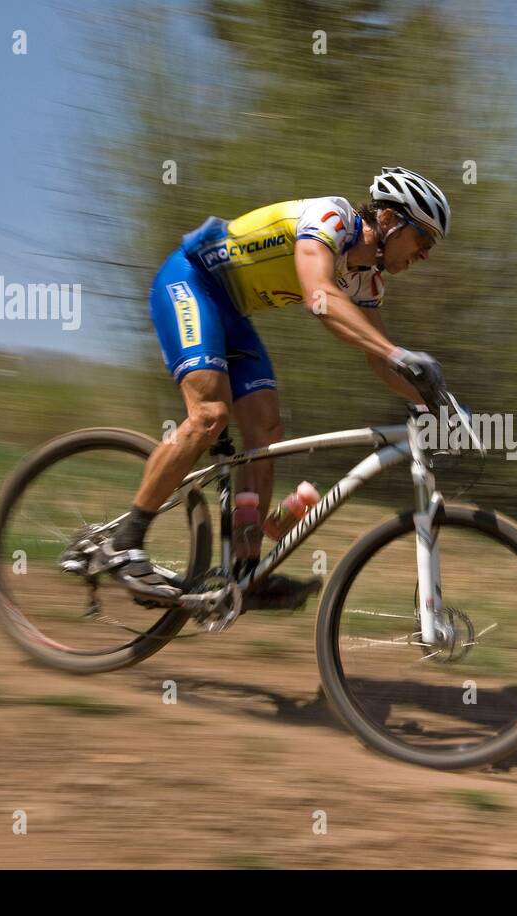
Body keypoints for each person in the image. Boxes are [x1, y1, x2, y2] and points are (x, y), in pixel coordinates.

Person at [89, 167, 451, 609]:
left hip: (232, 312)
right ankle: (124, 543)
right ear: (391, 220)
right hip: (190, 281)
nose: (425, 254)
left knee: (266, 428)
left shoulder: (366, 280)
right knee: (209, 415)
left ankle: (245, 571)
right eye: (423, 238)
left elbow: (378, 358)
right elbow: (319, 296)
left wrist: (440, 404)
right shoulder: (331, 219)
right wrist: (398, 354)